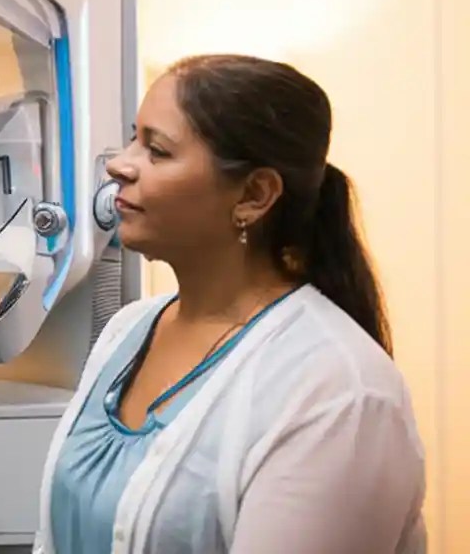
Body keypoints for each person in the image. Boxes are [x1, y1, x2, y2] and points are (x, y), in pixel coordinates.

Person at [33, 55, 427, 554]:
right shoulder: (126, 330)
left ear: (254, 195)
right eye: (134, 138)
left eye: (157, 150)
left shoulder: (340, 394)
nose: (119, 165)